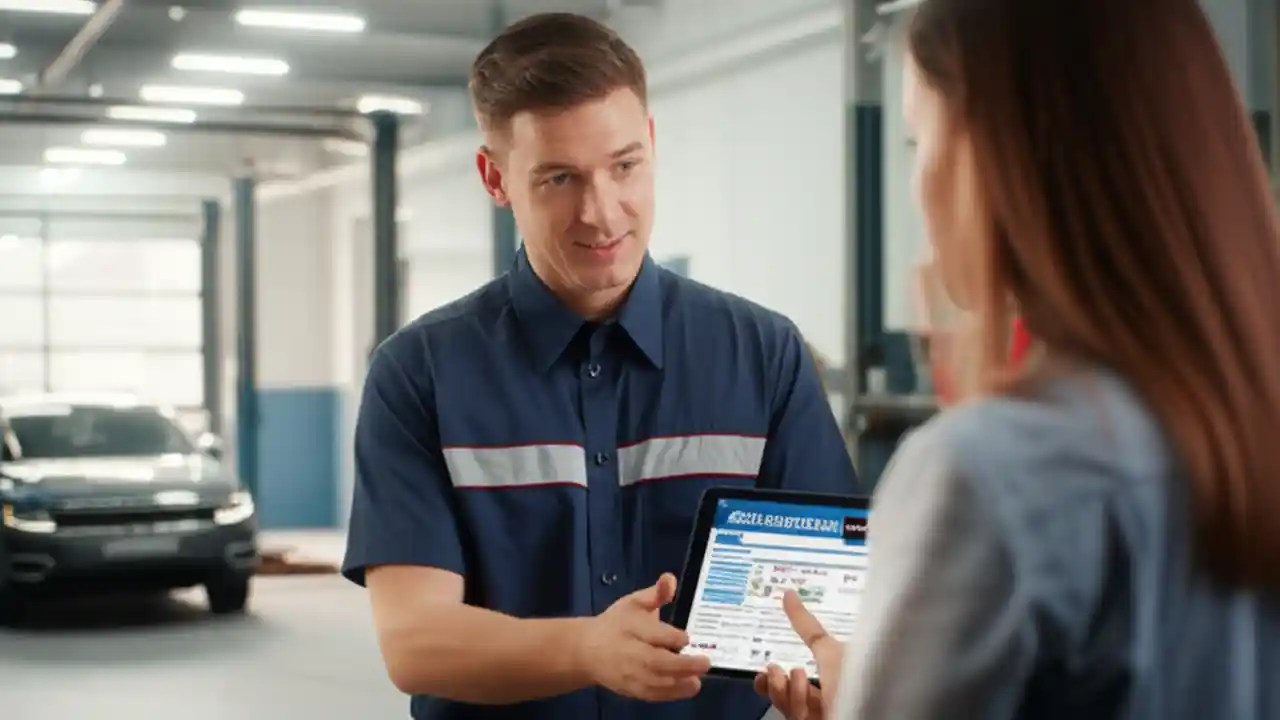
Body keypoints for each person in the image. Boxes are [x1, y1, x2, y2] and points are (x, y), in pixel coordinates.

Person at [758, 0, 1280, 718]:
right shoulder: (1244, 431)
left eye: (920, 140)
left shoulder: (988, 474)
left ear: (987, 153)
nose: (920, 186)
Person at [340, 11, 860, 720]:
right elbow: (417, 643)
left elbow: (829, 618)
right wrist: (587, 650)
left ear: (650, 142)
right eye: (560, 178)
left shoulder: (764, 355)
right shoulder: (419, 374)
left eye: (624, 166)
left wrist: (828, 687)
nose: (601, 212)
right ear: (495, 178)